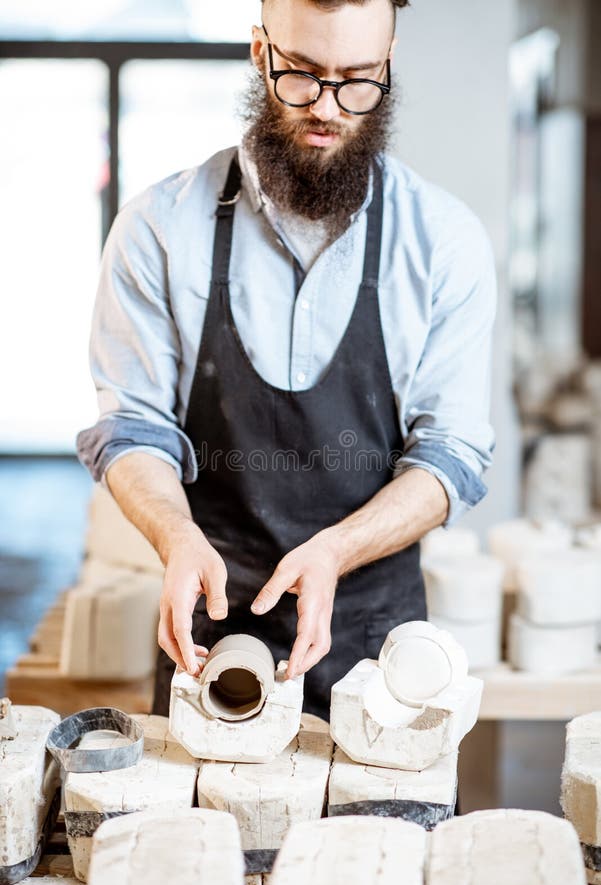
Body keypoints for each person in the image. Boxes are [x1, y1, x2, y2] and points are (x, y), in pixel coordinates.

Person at [77, 0, 496, 720]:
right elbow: (133, 428)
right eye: (300, 74)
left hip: (376, 650)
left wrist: (335, 550)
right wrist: (175, 537)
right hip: (211, 637)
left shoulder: (442, 242)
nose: (327, 108)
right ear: (258, 51)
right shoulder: (158, 228)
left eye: (358, 79)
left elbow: (451, 455)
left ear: (389, 60)